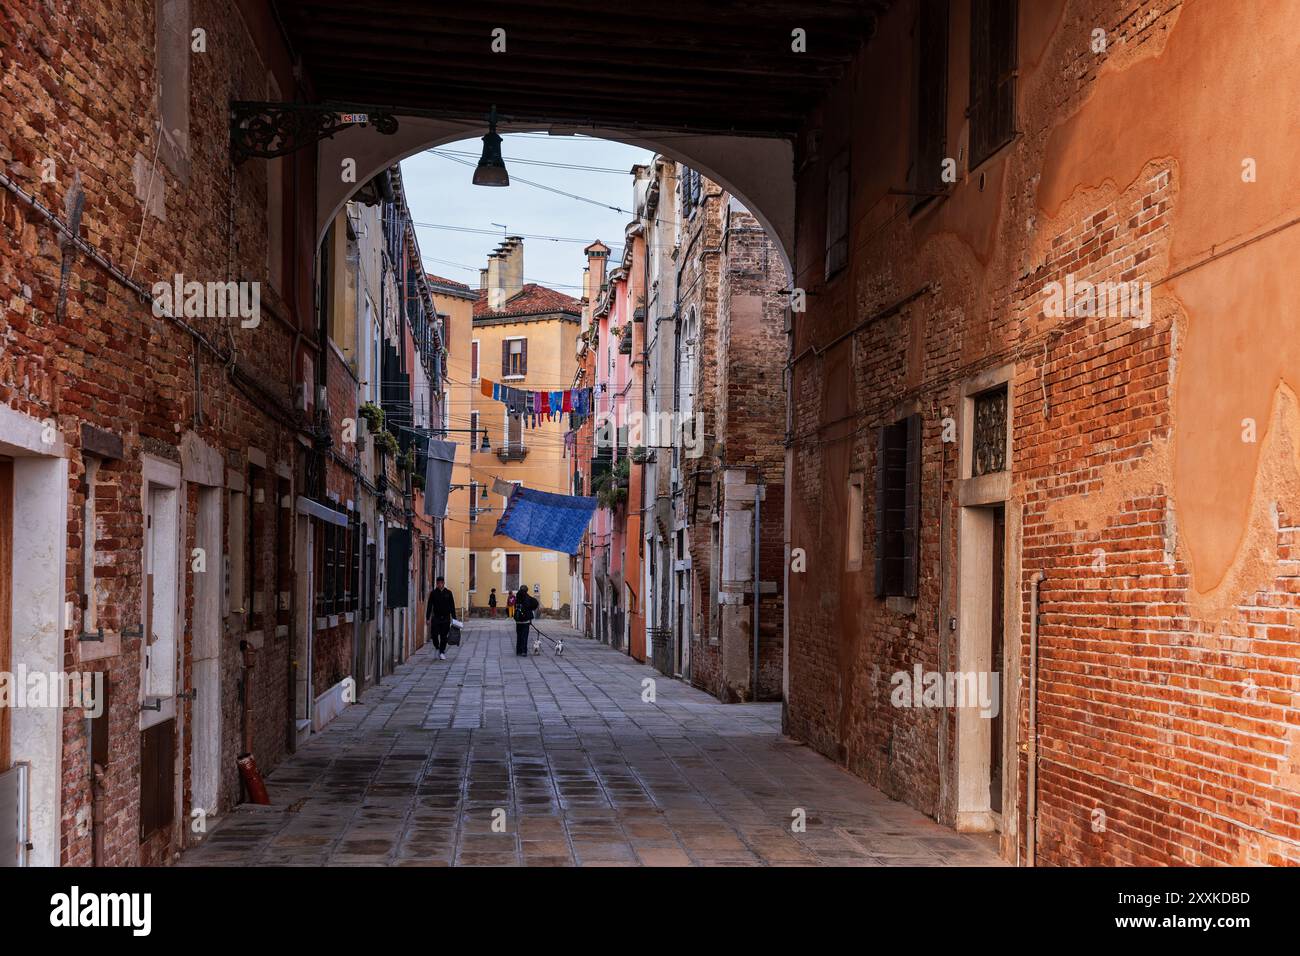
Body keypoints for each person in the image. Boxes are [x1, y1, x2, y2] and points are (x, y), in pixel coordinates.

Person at [425, 575, 456, 661]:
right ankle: (437, 647)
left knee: (444, 636)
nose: (439, 585)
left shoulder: (448, 593)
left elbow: (452, 606)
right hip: (436, 617)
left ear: (443, 583)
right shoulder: (433, 593)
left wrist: (454, 618)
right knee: (434, 634)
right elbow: (429, 606)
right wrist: (427, 618)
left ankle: (442, 652)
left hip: (446, 618)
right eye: (438, 583)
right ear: (436, 584)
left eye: (441, 583)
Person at [513, 584, 539, 656]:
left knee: (519, 636)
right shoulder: (528, 598)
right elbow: (535, 603)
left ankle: (518, 651)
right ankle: (524, 651)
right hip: (526, 621)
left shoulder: (517, 597)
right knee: (525, 636)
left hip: (518, 621)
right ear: (526, 590)